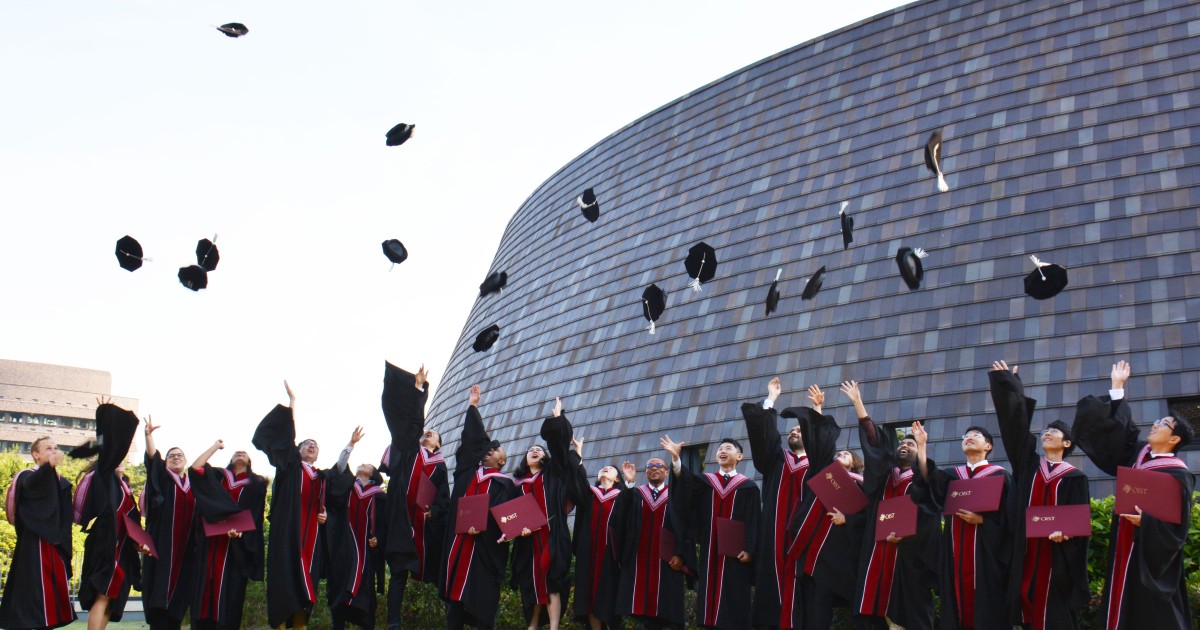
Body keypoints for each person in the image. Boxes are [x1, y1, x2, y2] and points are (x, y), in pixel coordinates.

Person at [1072, 360, 1195, 630]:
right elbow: (1118, 433)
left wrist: (1148, 523)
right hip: (1123, 546)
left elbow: (1178, 530)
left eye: (1163, 423)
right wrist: (1117, 387)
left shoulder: (1179, 475)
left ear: (1174, 439)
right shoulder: (1136, 454)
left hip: (1149, 558)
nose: (1154, 424)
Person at [990, 360, 1089, 630]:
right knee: (1026, 605)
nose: (1046, 433)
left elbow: (1078, 523)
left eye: (1053, 432)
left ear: (1067, 443)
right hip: (1025, 549)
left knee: (1054, 612)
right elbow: (1015, 429)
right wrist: (1013, 387)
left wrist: (1066, 534)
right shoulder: (1029, 465)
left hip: (1056, 554)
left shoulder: (1075, 478)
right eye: (1045, 431)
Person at [252, 381, 356, 630]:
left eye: (316, 446)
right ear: (297, 451)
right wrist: (292, 404)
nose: (312, 446)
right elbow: (287, 438)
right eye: (307, 444)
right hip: (288, 534)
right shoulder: (290, 467)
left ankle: (299, 626)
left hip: (311, 540)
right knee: (285, 579)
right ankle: (279, 625)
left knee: (305, 581)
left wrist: (350, 445)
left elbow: (339, 480)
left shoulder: (320, 477)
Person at [911, 419, 1014, 630]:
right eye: (966, 436)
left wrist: (983, 521)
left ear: (988, 446)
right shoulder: (952, 476)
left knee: (987, 609)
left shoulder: (1000, 476)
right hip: (955, 555)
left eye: (975, 434)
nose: (968, 437)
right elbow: (927, 480)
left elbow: (1012, 519)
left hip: (987, 557)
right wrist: (921, 445)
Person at [664, 434, 760, 630]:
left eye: (728, 448)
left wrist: (750, 549)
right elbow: (685, 486)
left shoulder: (748, 487)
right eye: (720, 449)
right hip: (711, 550)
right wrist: (676, 459)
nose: (722, 451)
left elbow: (754, 521)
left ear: (740, 457)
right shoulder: (705, 482)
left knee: (735, 602)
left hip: (736, 555)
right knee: (709, 601)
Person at [378, 363, 449, 630]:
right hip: (400, 519)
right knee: (398, 573)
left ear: (439, 445)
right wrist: (417, 388)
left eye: (433, 434)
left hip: (423, 527)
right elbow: (412, 421)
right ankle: (394, 622)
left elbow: (444, 498)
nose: (428, 432)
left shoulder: (439, 467)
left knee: (435, 572)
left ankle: (441, 619)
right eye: (427, 432)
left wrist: (435, 513)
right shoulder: (410, 449)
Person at [852, 414, 938, 630]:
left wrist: (922, 444)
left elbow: (930, 496)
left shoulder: (921, 480)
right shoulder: (884, 478)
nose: (904, 445)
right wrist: (860, 409)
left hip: (908, 556)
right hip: (877, 553)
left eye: (910, 444)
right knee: (872, 612)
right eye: (901, 442)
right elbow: (874, 447)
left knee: (911, 614)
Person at [443, 384, 515, 630]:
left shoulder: (505, 485)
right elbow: (473, 439)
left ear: (502, 461)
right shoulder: (467, 473)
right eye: (488, 449)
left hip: (484, 550)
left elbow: (508, 516)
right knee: (455, 606)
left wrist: (485, 527)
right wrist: (473, 405)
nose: (489, 450)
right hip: (460, 546)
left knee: (483, 608)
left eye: (495, 450)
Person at [740, 377, 810, 630]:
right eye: (791, 430)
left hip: (805, 538)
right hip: (774, 536)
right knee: (771, 591)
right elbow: (764, 438)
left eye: (800, 430)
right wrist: (770, 400)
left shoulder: (820, 465)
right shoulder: (777, 459)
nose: (794, 432)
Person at [73, 399, 148, 630]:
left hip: (122, 549)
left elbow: (132, 523)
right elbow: (106, 446)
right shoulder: (104, 477)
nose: (121, 462)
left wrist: (140, 545)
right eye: (118, 459)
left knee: (112, 599)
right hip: (106, 545)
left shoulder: (125, 489)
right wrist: (105, 418)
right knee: (103, 595)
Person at [784, 384, 849, 630]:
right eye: (837, 454)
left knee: (822, 611)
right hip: (808, 549)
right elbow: (820, 446)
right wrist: (817, 409)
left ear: (854, 466)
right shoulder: (823, 472)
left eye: (846, 456)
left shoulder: (859, 486)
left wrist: (848, 520)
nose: (839, 457)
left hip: (833, 554)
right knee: (807, 609)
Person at [510, 397, 575, 630]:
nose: (535, 451)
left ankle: (554, 627)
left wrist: (557, 418)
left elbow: (559, 448)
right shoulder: (517, 485)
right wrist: (519, 528)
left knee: (552, 581)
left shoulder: (553, 474)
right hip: (528, 540)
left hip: (551, 534)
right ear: (525, 460)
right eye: (531, 451)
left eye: (539, 449)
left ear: (546, 457)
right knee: (531, 583)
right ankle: (533, 626)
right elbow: (510, 515)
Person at [189, 444, 268, 630]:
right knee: (204, 587)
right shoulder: (217, 476)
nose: (239, 453)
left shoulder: (256, 483)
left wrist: (243, 532)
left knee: (231, 592)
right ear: (230, 459)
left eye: (244, 452)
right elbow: (194, 468)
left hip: (236, 547)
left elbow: (256, 515)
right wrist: (215, 447)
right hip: (211, 541)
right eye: (236, 452)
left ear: (249, 461)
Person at [0, 437, 75, 630]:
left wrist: (65, 550)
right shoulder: (26, 476)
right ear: (35, 454)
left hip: (55, 546)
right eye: (48, 448)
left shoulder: (63, 483)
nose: (53, 451)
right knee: (29, 599)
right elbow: (31, 490)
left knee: (50, 607)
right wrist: (47, 469)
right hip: (32, 545)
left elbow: (65, 519)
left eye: (56, 448)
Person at [612, 456, 691, 630]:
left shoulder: (675, 496)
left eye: (659, 466)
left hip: (668, 561)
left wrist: (681, 554)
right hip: (640, 561)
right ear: (645, 472)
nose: (654, 468)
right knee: (647, 614)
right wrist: (629, 482)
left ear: (667, 471)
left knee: (671, 610)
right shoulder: (636, 493)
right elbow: (620, 516)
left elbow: (686, 527)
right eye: (650, 466)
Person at [141, 418, 202, 630]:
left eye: (179, 455)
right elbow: (152, 460)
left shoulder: (194, 484)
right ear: (166, 462)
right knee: (159, 597)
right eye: (171, 456)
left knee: (179, 597)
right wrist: (149, 436)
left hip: (186, 551)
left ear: (186, 461)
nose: (175, 458)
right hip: (161, 546)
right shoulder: (163, 478)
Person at [325, 455, 386, 630]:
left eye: (368, 464)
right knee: (339, 587)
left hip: (366, 552)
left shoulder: (380, 496)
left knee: (365, 593)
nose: (363, 463)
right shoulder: (347, 488)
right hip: (343, 548)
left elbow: (385, 523)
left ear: (374, 474)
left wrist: (378, 538)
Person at [569, 457, 626, 630]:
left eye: (610, 468)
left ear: (617, 479)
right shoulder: (589, 495)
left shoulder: (622, 497)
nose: (605, 468)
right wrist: (578, 456)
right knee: (588, 598)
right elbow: (578, 481)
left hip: (610, 558)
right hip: (588, 555)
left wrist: (630, 484)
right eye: (603, 468)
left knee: (607, 597)